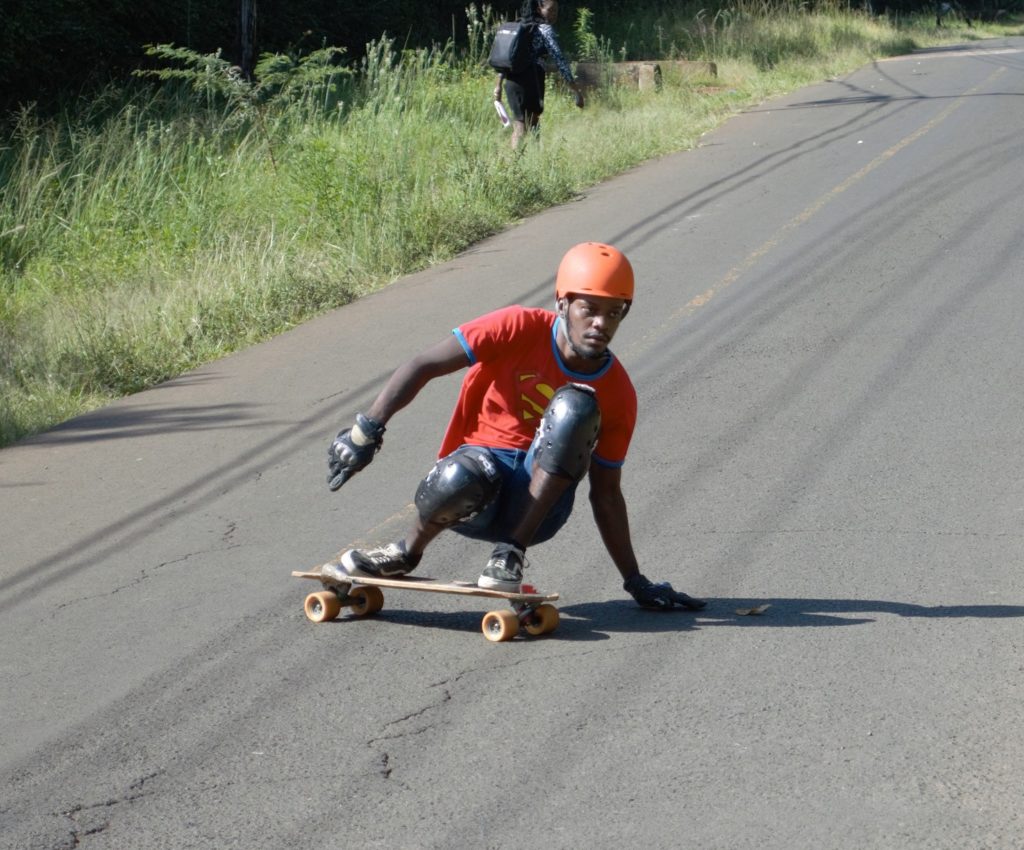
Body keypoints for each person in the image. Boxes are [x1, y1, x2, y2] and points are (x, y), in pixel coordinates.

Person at [324, 242, 706, 611]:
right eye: (589, 310)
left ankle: (509, 553)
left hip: (540, 512)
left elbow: (606, 494)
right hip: (470, 493)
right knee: (460, 474)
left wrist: (635, 580)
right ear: (562, 304)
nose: (600, 324)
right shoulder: (517, 327)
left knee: (575, 407)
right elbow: (424, 365)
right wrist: (367, 430)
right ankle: (406, 552)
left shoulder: (618, 392)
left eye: (614, 313)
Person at [493, 0, 585, 149]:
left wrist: (498, 86)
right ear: (539, 9)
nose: (554, 14)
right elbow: (559, 59)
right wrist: (576, 91)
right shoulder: (544, 29)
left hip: (511, 81)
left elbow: (507, 58)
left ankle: (534, 157)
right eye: (550, 10)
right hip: (531, 79)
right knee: (522, 126)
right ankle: (516, 162)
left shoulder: (520, 26)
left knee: (530, 122)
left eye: (556, 11)